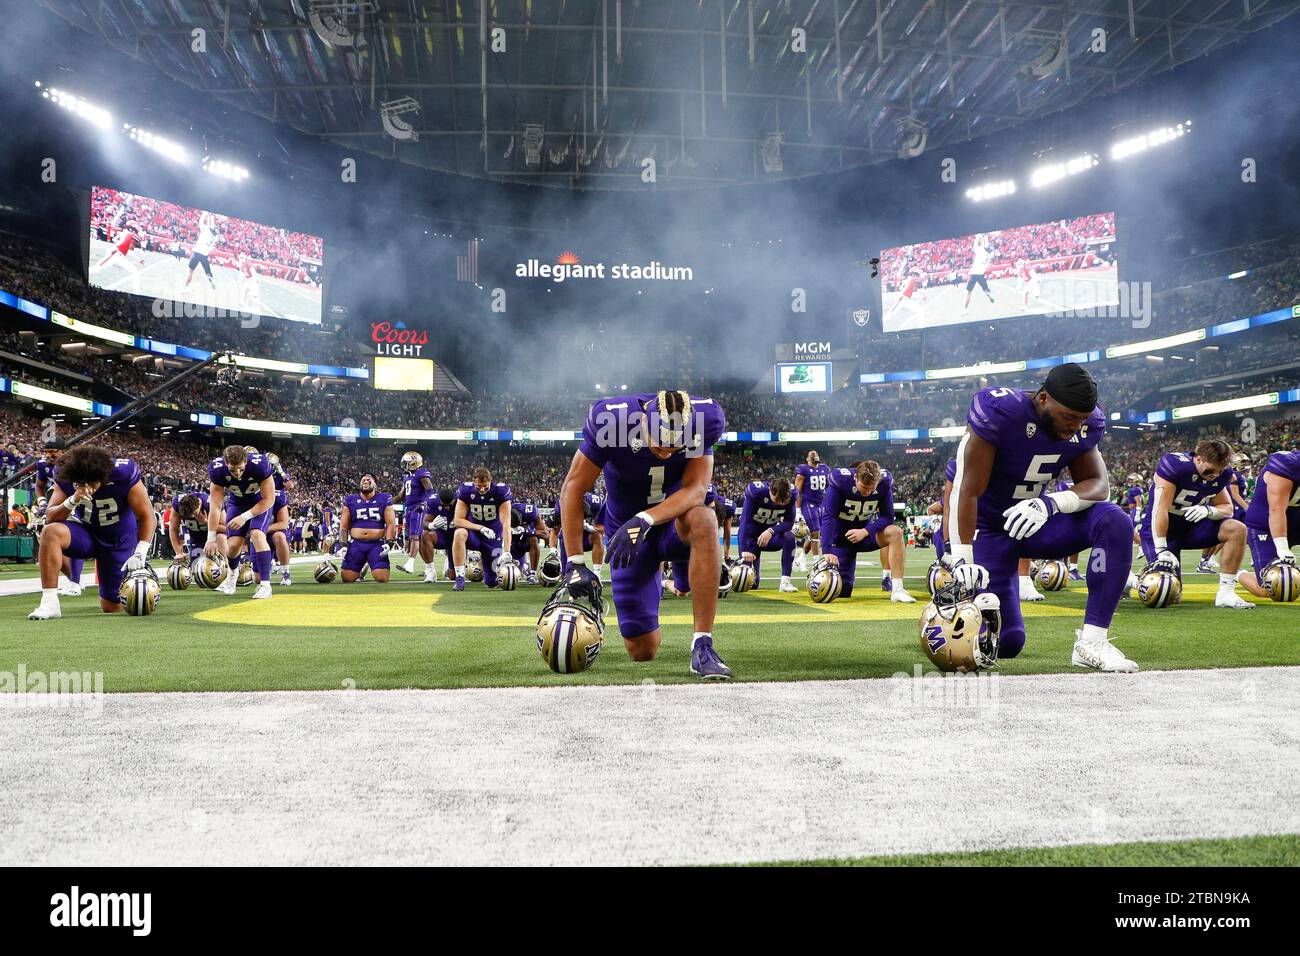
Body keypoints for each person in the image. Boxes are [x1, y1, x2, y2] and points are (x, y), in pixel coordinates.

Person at [948, 363, 1137, 671]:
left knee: (1114, 520)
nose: (1076, 426)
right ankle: (949, 607)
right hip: (990, 529)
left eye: (1082, 419)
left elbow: (1098, 484)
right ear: (1043, 398)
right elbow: (966, 490)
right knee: (1006, 643)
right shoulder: (1000, 411)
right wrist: (962, 557)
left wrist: (1050, 504)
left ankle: (1092, 643)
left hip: (1035, 520)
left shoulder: (1084, 425)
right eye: (1069, 417)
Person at [557, 389, 731, 679]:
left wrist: (646, 518)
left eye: (676, 447)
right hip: (625, 535)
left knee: (705, 519)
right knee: (642, 651)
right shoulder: (612, 421)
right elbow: (574, 488)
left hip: (672, 524)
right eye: (660, 444)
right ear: (643, 424)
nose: (666, 453)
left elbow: (696, 490)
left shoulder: (705, 420)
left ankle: (703, 645)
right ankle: (655, 575)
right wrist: (575, 561)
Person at [29, 446, 156, 619]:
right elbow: (50, 516)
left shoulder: (123, 473)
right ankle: (49, 603)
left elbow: (147, 516)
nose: (87, 487)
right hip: (87, 533)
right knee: (50, 532)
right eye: (81, 483)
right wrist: (72, 500)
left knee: (111, 606)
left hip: (119, 540)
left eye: (92, 482)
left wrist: (140, 552)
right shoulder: (64, 475)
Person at [1138, 439, 1254, 609]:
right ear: (1198, 459)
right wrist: (1162, 549)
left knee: (1237, 529)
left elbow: (1227, 508)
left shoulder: (1223, 474)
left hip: (1193, 527)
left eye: (1220, 470)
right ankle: (1130, 580)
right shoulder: (1176, 466)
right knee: (1168, 592)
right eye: (1212, 469)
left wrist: (1209, 511)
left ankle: (1226, 593)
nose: (1216, 474)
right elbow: (1159, 510)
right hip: (1163, 529)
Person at [820, 460, 916, 602]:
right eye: (864, 487)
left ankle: (897, 589)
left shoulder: (884, 483)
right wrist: (827, 550)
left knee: (896, 532)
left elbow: (888, 516)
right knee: (841, 591)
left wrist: (865, 531)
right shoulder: (840, 481)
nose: (867, 492)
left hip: (864, 536)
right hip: (840, 539)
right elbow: (828, 516)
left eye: (872, 488)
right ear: (855, 478)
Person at [206, 445, 275, 599]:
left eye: (241, 469)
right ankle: (232, 574)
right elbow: (216, 506)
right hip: (236, 503)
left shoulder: (260, 465)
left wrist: (244, 517)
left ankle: (265, 585)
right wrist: (211, 538)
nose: (237, 473)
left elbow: (269, 499)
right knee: (233, 546)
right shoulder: (217, 470)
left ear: (246, 460)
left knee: (257, 534)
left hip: (259, 503)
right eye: (232, 469)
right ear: (225, 463)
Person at [451, 467, 513, 591]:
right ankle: (459, 578)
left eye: (485, 486)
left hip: (493, 537)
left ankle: (482, 562)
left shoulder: (500, 491)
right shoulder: (466, 490)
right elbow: (458, 520)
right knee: (459, 533)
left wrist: (506, 551)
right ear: (474, 482)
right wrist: (481, 528)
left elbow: (506, 523)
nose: (482, 489)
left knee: (492, 582)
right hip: (474, 534)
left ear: (491, 481)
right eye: (479, 486)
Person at [737, 477, 798, 592]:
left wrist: (771, 531)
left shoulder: (792, 495)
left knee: (790, 537)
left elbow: (789, 523)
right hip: (752, 537)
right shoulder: (757, 493)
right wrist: (745, 549)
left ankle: (785, 582)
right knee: (750, 584)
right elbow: (745, 522)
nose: (780, 503)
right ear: (771, 491)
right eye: (778, 499)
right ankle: (733, 568)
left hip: (771, 538)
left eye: (783, 501)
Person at [340, 474, 397, 583]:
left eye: (368, 480)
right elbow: (343, 526)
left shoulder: (384, 498)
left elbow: (391, 523)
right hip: (357, 544)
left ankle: (367, 563)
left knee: (382, 578)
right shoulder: (350, 500)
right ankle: (361, 566)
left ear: (375, 484)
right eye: (363, 480)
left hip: (376, 544)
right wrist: (343, 545)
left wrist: (389, 543)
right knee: (347, 578)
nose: (365, 481)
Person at [793, 450, 831, 572]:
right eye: (812, 454)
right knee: (815, 532)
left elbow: (827, 487)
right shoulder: (803, 470)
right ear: (807, 459)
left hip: (821, 504)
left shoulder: (825, 468)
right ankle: (817, 563)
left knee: (816, 535)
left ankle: (801, 558)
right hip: (809, 504)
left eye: (816, 453)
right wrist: (798, 511)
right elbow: (797, 491)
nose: (814, 455)